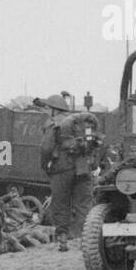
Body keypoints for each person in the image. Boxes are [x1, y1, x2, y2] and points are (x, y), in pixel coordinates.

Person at [40, 97, 102, 251]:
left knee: (61, 203)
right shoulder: (83, 123)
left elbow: (46, 148)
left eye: (48, 108)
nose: (47, 111)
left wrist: (45, 166)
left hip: (62, 169)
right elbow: (93, 145)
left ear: (55, 109)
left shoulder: (54, 123)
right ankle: (85, 241)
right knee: (84, 205)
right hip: (83, 169)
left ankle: (62, 241)